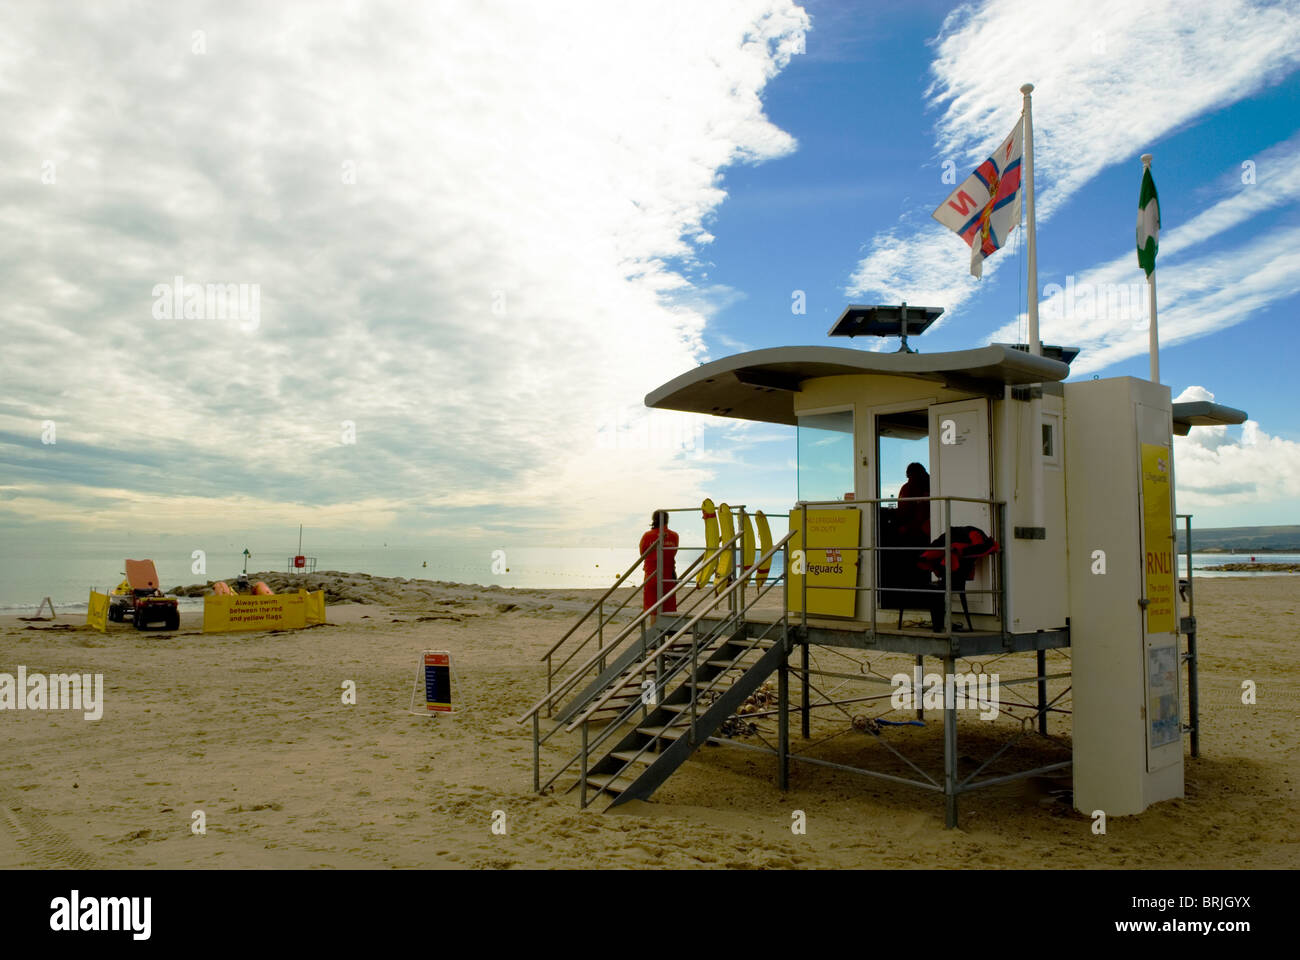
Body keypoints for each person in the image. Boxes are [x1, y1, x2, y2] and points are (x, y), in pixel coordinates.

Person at [640, 510, 679, 623]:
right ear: (667, 520)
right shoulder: (674, 536)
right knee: (670, 610)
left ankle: (655, 638)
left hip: (652, 575)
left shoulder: (647, 536)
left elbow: (643, 554)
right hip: (668, 576)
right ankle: (671, 639)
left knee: (654, 611)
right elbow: (673, 552)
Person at [897, 462, 931, 542]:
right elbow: (904, 510)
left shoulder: (908, 487)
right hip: (914, 528)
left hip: (914, 527)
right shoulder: (908, 488)